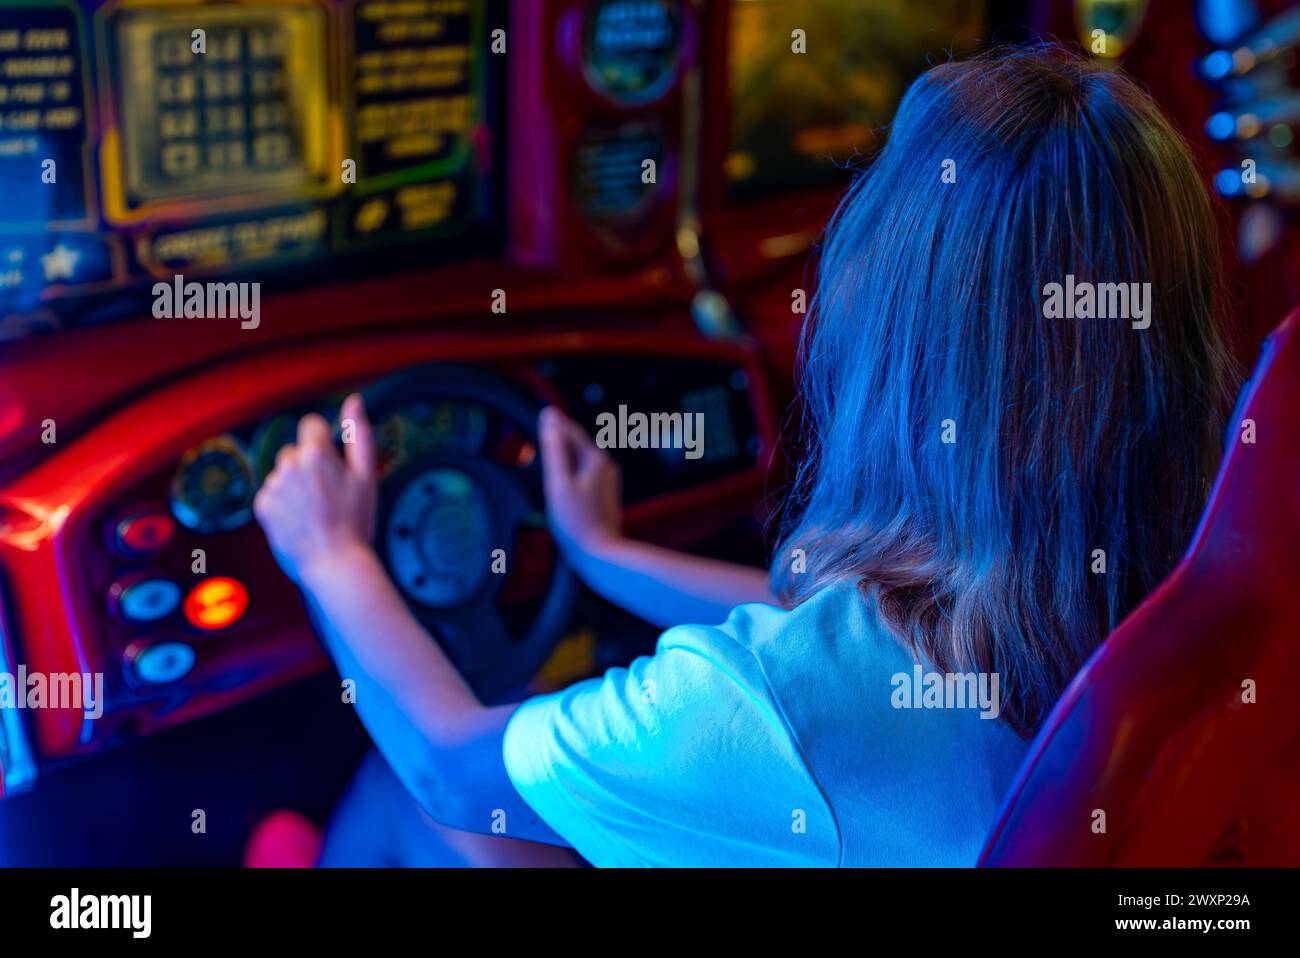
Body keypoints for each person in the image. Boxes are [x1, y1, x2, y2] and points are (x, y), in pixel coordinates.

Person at [251, 46, 1238, 867]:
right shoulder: (1179, 560)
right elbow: (863, 650)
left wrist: (328, 554)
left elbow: (456, 769)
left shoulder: (763, 708)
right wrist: (604, 555)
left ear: (887, 336)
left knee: (405, 794)